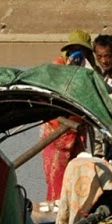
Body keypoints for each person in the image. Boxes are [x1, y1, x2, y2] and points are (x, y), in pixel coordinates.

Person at [41, 30, 94, 198]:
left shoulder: (86, 69)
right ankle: (55, 210)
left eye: (82, 50)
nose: (77, 53)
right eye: (74, 49)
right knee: (57, 175)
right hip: (57, 131)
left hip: (77, 131)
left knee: (78, 174)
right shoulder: (58, 67)